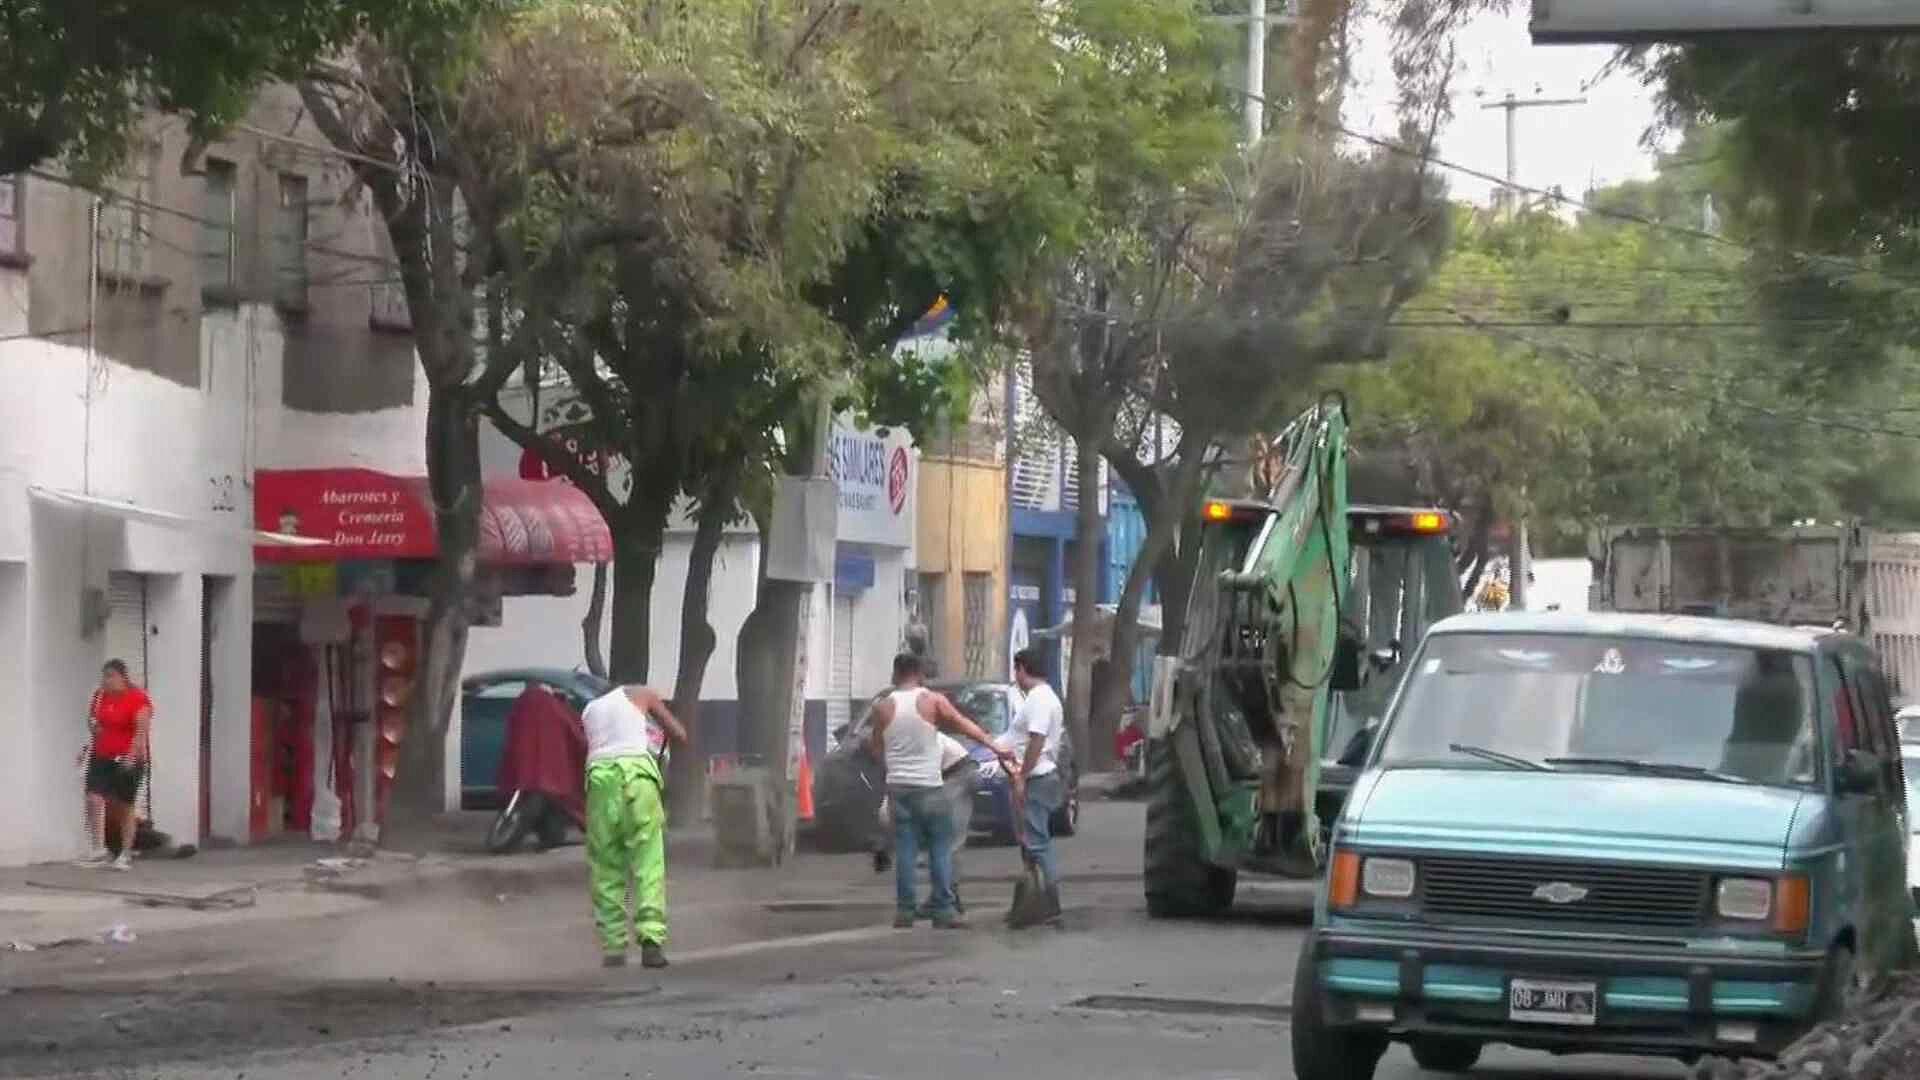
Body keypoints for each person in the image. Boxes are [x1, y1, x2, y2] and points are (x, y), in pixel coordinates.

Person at [868, 653, 1014, 929]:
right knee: (940, 849)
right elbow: (966, 726)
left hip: (899, 789)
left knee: (906, 851)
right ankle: (943, 911)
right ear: (920, 673)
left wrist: (891, 769)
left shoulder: (882, 707)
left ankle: (905, 912)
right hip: (930, 788)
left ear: (896, 674)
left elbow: (876, 748)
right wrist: (996, 748)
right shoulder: (932, 701)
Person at [580, 683, 688, 970]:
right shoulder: (642, 694)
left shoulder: (590, 710)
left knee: (606, 865)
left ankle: (614, 947)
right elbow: (679, 734)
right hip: (637, 779)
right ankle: (651, 942)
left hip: (600, 781)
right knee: (647, 861)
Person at [873, 731, 980, 916]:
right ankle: (946, 897)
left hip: (957, 775)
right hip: (959, 772)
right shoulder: (905, 745)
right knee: (947, 841)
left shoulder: (917, 744)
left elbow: (898, 798)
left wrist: (885, 845)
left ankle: (946, 900)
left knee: (946, 841)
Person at [1008, 648, 1067, 923]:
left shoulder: (1040, 699)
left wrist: (1022, 776)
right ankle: (1032, 902)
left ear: (1022, 669)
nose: (1014, 677)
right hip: (1036, 775)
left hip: (1037, 777)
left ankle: (1051, 903)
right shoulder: (1040, 698)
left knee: (1037, 842)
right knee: (1030, 842)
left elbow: (1037, 740)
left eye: (1015, 670)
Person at [76, 660, 151, 871]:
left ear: (122, 677)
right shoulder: (100, 696)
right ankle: (98, 848)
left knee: (124, 806)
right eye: (104, 676)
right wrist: (93, 729)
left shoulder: (137, 698)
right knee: (93, 797)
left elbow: (140, 731)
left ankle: (125, 853)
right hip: (101, 756)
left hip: (126, 759)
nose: (106, 680)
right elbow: (92, 720)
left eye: (110, 676)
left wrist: (131, 755)